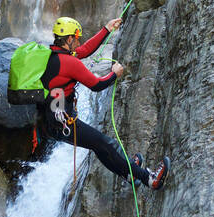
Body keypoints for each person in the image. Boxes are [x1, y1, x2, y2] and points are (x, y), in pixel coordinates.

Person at [35, 16, 168, 190]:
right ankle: (149, 179)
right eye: (76, 38)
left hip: (50, 121)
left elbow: (84, 50)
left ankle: (128, 172)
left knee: (100, 147)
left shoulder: (51, 55)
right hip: (61, 123)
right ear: (69, 39)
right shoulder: (68, 62)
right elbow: (96, 85)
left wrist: (106, 29)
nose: (78, 41)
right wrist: (114, 74)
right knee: (107, 144)